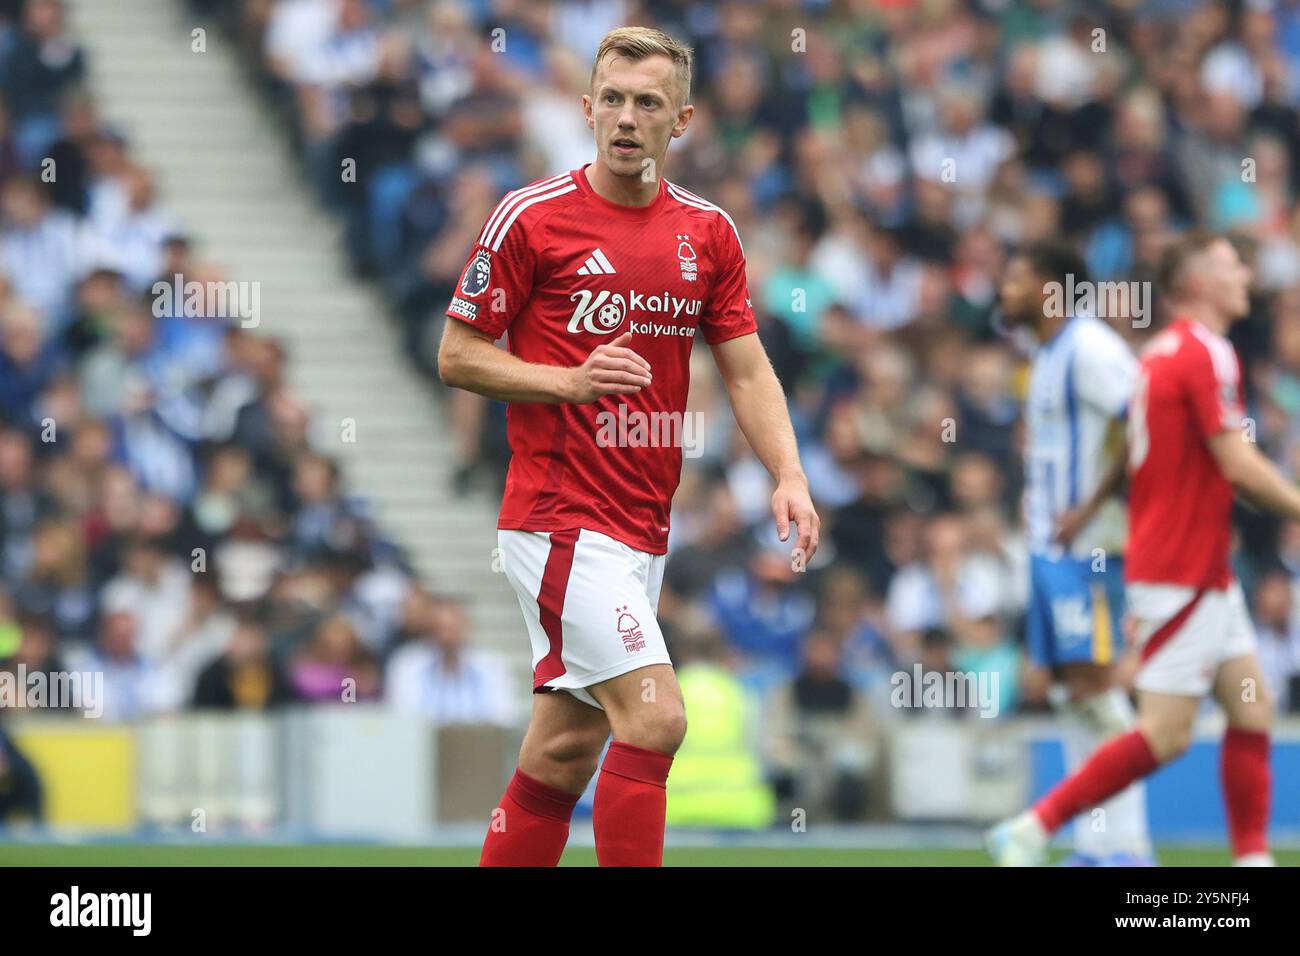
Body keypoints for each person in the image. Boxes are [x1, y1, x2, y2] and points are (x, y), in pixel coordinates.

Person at [437, 26, 818, 867]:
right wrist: (565, 381)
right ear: (586, 108)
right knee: (656, 716)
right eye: (612, 98)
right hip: (557, 520)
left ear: (680, 121)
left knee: (563, 752)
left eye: (648, 103)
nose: (625, 116)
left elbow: (748, 371)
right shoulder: (531, 218)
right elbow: (457, 355)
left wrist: (788, 472)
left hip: (642, 527)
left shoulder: (708, 233)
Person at [989, 230, 1300, 866]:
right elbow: (1233, 463)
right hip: (1172, 566)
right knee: (1154, 727)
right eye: (1228, 264)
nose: (1244, 273)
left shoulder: (1129, 352)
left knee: (1249, 709)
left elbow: (1140, 436)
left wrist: (1095, 505)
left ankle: (1244, 858)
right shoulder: (1199, 353)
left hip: (1167, 561)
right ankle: (1046, 829)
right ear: (1195, 284)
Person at [996, 242, 1153, 865]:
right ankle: (1099, 844)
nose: (1004, 287)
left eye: (1016, 273)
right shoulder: (1046, 354)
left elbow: (1147, 422)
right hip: (1052, 554)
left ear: (1051, 288)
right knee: (1069, 695)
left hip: (1091, 555)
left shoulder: (1091, 350)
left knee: (1096, 692)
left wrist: (1090, 509)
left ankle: (1127, 849)